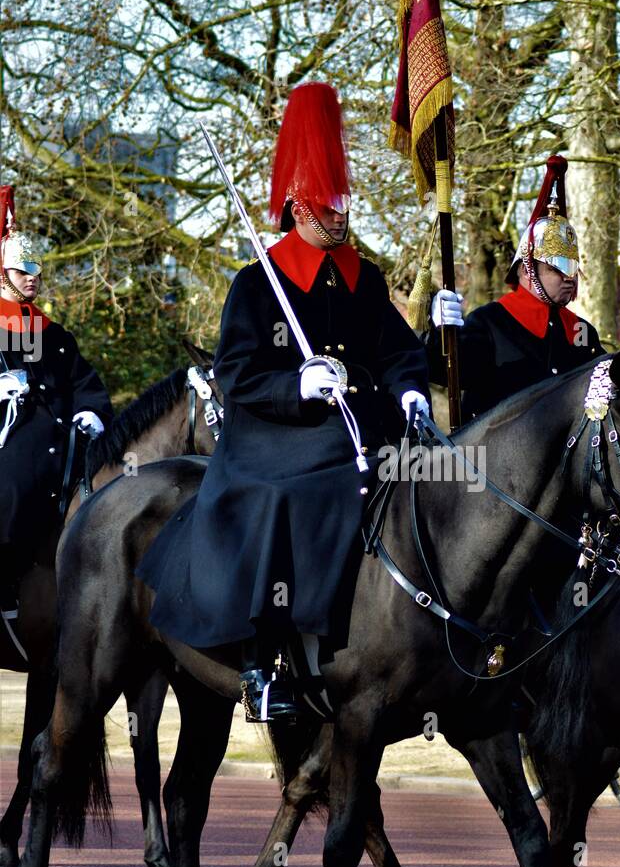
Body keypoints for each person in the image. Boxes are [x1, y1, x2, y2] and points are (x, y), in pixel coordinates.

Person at [137, 84, 431, 722]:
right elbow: (237, 373)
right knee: (285, 494)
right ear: (300, 205)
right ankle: (264, 661)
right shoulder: (258, 281)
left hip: (365, 423)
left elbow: (397, 349)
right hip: (275, 432)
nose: (342, 212)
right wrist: (297, 385)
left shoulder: (364, 275)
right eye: (330, 200)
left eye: (344, 198)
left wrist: (410, 390)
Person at [0, 186, 112, 621]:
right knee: (11, 482)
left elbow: (85, 383)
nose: (32, 277)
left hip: (67, 439)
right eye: (22, 270)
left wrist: (92, 412)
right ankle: (6, 583)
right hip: (15, 436)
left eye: (37, 270)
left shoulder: (55, 333)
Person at [425, 156, 605, 422]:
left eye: (572, 269)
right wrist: (440, 331)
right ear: (525, 271)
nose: (568, 278)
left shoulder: (582, 332)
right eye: (556, 268)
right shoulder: (490, 323)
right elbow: (443, 372)